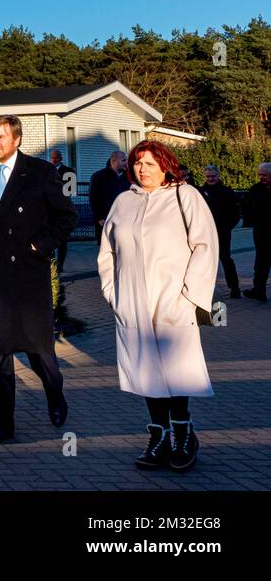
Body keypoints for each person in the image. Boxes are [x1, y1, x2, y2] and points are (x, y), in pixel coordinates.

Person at [0, 115, 78, 444]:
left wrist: (41, 245)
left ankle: (55, 393)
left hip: (27, 274)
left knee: (39, 352)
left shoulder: (40, 172)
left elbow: (67, 216)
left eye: (0, 137)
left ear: (16, 140)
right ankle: (2, 425)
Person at [97, 141, 218, 471]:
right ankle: (159, 436)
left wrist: (190, 297)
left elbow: (205, 246)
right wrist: (114, 294)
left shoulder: (185, 196)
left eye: (150, 163)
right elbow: (107, 252)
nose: (142, 169)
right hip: (133, 302)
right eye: (137, 163)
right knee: (146, 369)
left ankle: (183, 433)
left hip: (174, 300)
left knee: (176, 369)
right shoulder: (123, 202)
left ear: (166, 165)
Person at [198, 165, 242, 298]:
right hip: (204, 233)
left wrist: (227, 227)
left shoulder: (227, 192)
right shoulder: (199, 192)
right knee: (203, 262)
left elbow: (235, 213)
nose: (210, 179)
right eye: (208, 176)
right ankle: (204, 290)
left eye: (213, 176)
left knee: (226, 260)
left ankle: (235, 288)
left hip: (222, 233)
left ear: (218, 176)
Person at [242, 163, 271, 302]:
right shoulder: (256, 189)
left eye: (264, 175)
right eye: (260, 174)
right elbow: (247, 206)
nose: (261, 177)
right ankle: (259, 291)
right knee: (260, 264)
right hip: (262, 233)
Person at [90, 151, 130, 243]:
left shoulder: (128, 177)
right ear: (114, 160)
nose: (126, 163)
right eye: (123, 160)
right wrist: (99, 217)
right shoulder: (98, 176)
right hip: (105, 220)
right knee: (106, 247)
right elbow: (94, 198)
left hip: (124, 220)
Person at [49, 149, 77, 273]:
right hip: (49, 209)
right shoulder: (47, 170)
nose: (54, 160)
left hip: (62, 209)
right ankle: (53, 264)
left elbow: (70, 191)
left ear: (60, 158)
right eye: (52, 158)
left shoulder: (69, 172)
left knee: (63, 240)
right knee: (49, 238)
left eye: (56, 158)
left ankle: (60, 265)